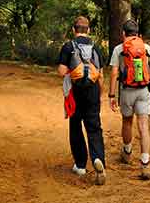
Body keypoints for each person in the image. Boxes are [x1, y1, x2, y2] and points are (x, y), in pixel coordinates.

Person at [57, 16, 106, 185]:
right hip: (92, 90)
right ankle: (98, 159)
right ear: (89, 30)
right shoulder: (96, 48)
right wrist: (100, 94)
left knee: (76, 126)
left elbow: (62, 71)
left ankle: (80, 165)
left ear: (73, 29)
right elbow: (100, 75)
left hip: (75, 91)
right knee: (94, 127)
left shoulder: (68, 46)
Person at [109, 19, 150, 180]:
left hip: (127, 91)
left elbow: (115, 73)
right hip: (144, 90)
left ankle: (127, 152)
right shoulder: (146, 47)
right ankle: (145, 164)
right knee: (144, 126)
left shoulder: (119, 49)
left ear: (123, 33)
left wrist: (111, 95)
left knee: (127, 121)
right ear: (138, 34)